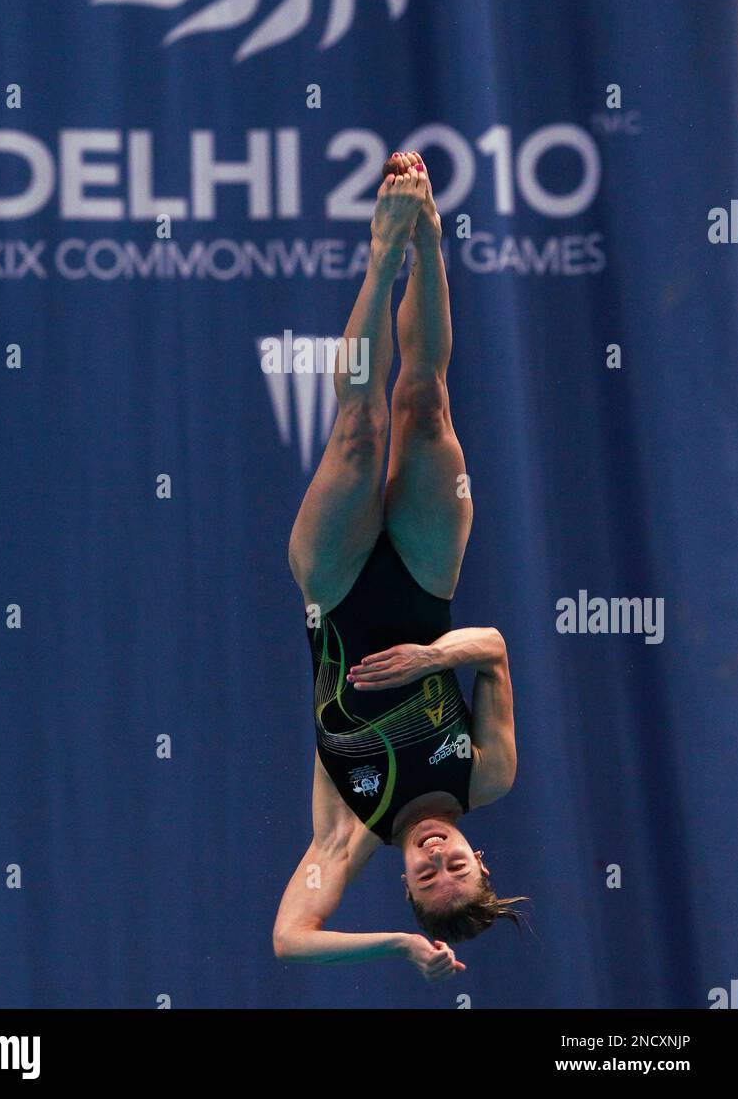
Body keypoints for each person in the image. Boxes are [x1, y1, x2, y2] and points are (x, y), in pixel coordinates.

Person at [273, 152, 523, 982]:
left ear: (409, 887)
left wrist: (400, 946)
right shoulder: (485, 773)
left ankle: (384, 258)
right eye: (456, 866)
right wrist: (433, 655)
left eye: (426, 879)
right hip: (426, 580)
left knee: (356, 427)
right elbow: (490, 647)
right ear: (478, 855)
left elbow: (290, 936)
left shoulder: (349, 827)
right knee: (422, 401)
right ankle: (429, 240)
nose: (434, 861)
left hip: (333, 591)